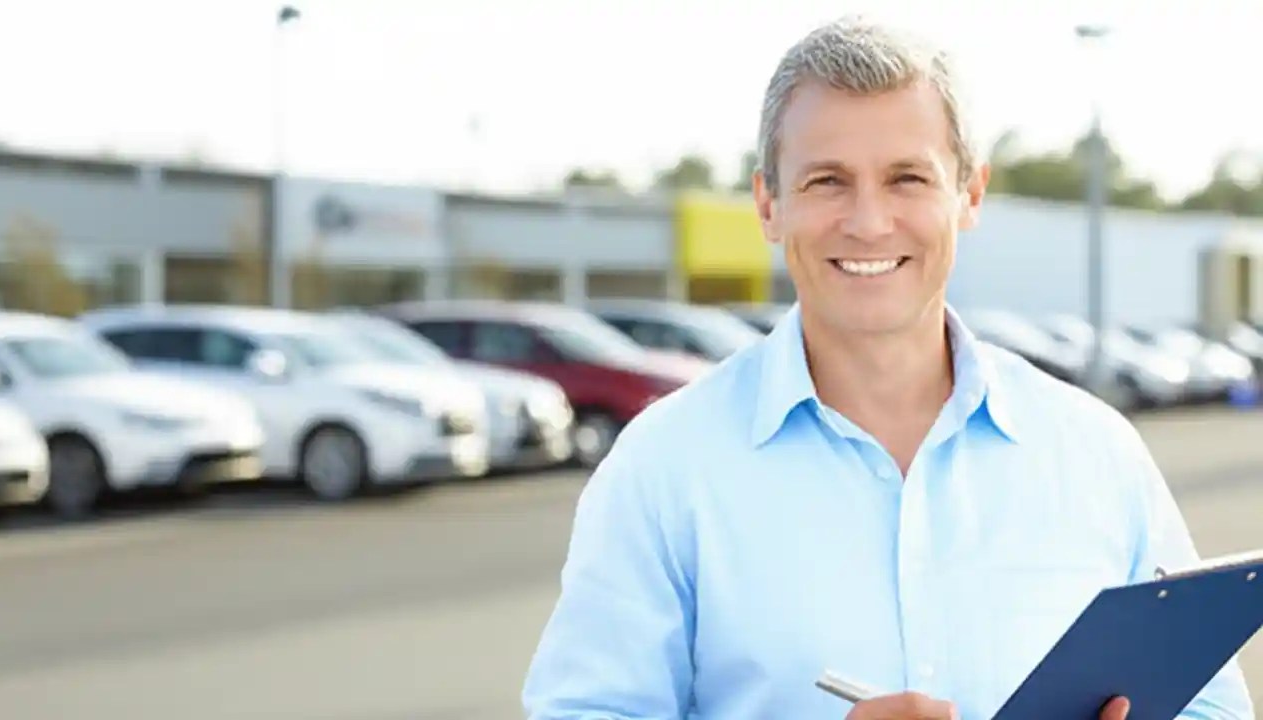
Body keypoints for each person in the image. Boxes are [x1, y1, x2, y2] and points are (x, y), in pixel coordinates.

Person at [522, 16, 1254, 720]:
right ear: (768, 204)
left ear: (969, 194)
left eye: (907, 178)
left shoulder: (1096, 452)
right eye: (827, 181)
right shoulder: (663, 466)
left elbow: (1213, 710)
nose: (869, 222)